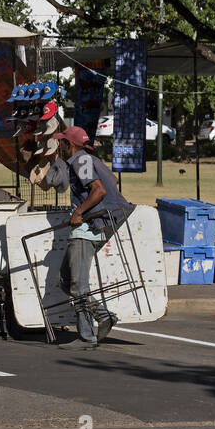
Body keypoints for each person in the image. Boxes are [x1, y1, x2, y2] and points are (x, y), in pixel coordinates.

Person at [53, 126, 134, 349]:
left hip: (87, 227)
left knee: (78, 285)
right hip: (97, 223)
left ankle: (86, 337)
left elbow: (99, 190)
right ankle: (104, 315)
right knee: (65, 280)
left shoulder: (81, 161)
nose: (59, 147)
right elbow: (112, 183)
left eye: (62, 143)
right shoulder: (91, 160)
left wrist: (79, 212)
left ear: (70, 145)